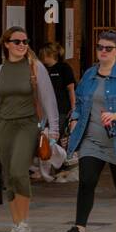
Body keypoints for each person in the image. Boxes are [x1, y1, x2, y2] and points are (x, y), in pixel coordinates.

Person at [57, 29, 116, 232]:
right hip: (92, 139)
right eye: (100, 47)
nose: (103, 51)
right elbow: (79, 103)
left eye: (108, 48)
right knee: (86, 181)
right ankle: (79, 230)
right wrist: (74, 119)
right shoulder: (89, 75)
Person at [0, 26, 58, 232]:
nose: (22, 45)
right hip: (4, 127)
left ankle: (24, 224)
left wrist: (54, 129)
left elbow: (48, 99)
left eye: (25, 41)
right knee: (8, 177)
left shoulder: (35, 68)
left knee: (19, 171)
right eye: (17, 42)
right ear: (6, 44)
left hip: (27, 126)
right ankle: (15, 224)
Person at [38, 41, 78, 183]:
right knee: (46, 138)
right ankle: (50, 167)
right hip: (45, 110)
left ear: (50, 54)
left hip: (61, 108)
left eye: (44, 55)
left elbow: (71, 89)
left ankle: (58, 166)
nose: (41, 57)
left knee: (56, 137)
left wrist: (74, 109)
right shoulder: (43, 70)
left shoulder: (63, 68)